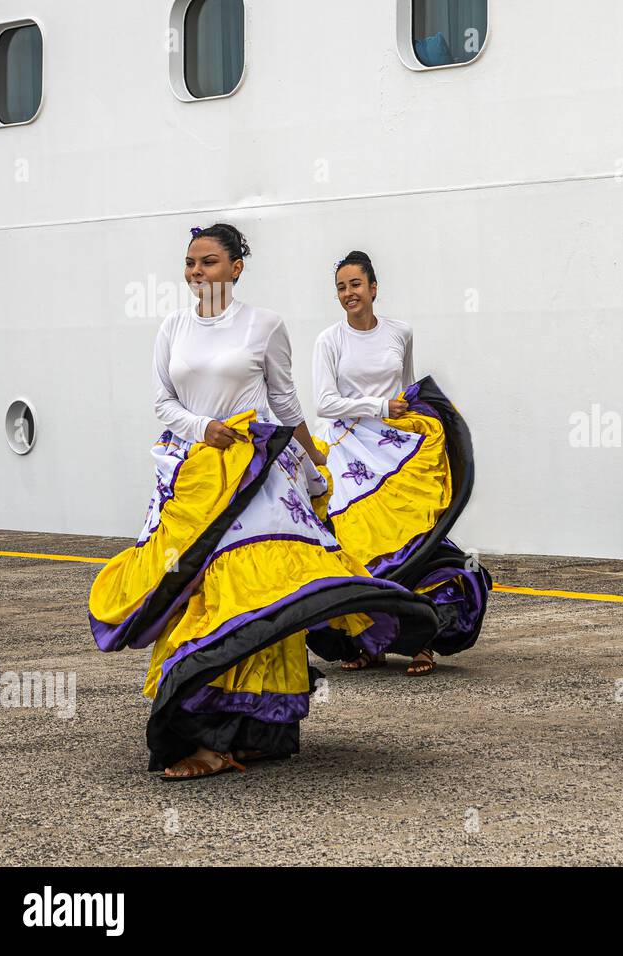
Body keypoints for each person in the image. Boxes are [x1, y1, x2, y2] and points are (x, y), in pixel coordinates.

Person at [88, 225, 438, 780]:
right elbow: (163, 402)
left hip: (256, 479)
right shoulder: (173, 327)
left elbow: (282, 400)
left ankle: (236, 735)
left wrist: (314, 461)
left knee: (248, 596)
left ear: (235, 268)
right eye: (189, 263)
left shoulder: (264, 325)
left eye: (207, 262)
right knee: (190, 597)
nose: (195, 273)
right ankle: (222, 730)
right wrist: (204, 427)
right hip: (192, 477)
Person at [310, 250, 490, 676]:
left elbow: (408, 391)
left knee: (415, 535)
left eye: (355, 284)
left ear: (374, 288)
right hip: (349, 449)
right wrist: (379, 407)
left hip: (394, 447)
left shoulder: (399, 333)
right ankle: (368, 641)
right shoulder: (329, 340)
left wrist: (416, 423)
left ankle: (423, 641)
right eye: (341, 287)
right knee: (358, 545)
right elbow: (324, 402)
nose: (348, 293)